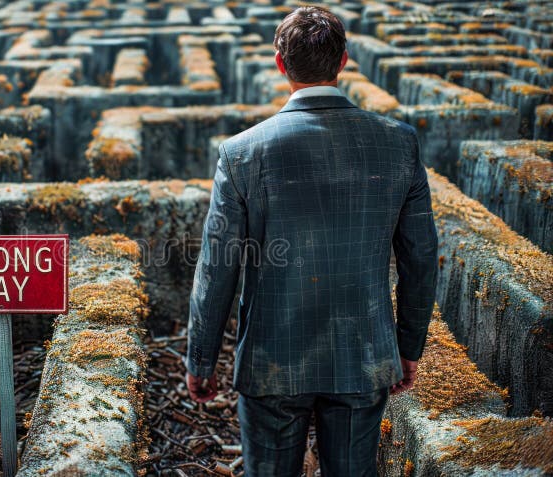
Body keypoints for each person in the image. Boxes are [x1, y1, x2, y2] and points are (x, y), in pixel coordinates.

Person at [183, 5, 439, 476]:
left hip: (271, 359)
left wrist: (201, 358)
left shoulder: (241, 153)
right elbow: (421, 258)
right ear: (344, 61)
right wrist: (407, 347)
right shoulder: (398, 142)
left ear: (280, 64)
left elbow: (218, 266)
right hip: (363, 353)